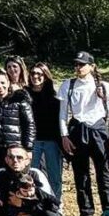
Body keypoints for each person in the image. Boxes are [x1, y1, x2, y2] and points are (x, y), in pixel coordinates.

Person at [57, 52, 109, 216]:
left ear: (92, 66)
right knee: (81, 175)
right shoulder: (67, 86)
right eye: (76, 64)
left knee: (104, 174)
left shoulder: (104, 86)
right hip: (77, 129)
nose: (78, 68)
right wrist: (64, 136)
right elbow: (63, 114)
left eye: (82, 64)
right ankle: (87, 214)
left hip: (99, 130)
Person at [26, 63, 64, 204]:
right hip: (32, 142)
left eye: (40, 74)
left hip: (51, 141)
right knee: (32, 176)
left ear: (46, 76)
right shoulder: (25, 95)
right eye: (33, 73)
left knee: (54, 176)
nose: (36, 76)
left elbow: (60, 120)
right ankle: (34, 203)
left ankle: (56, 204)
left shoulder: (55, 97)